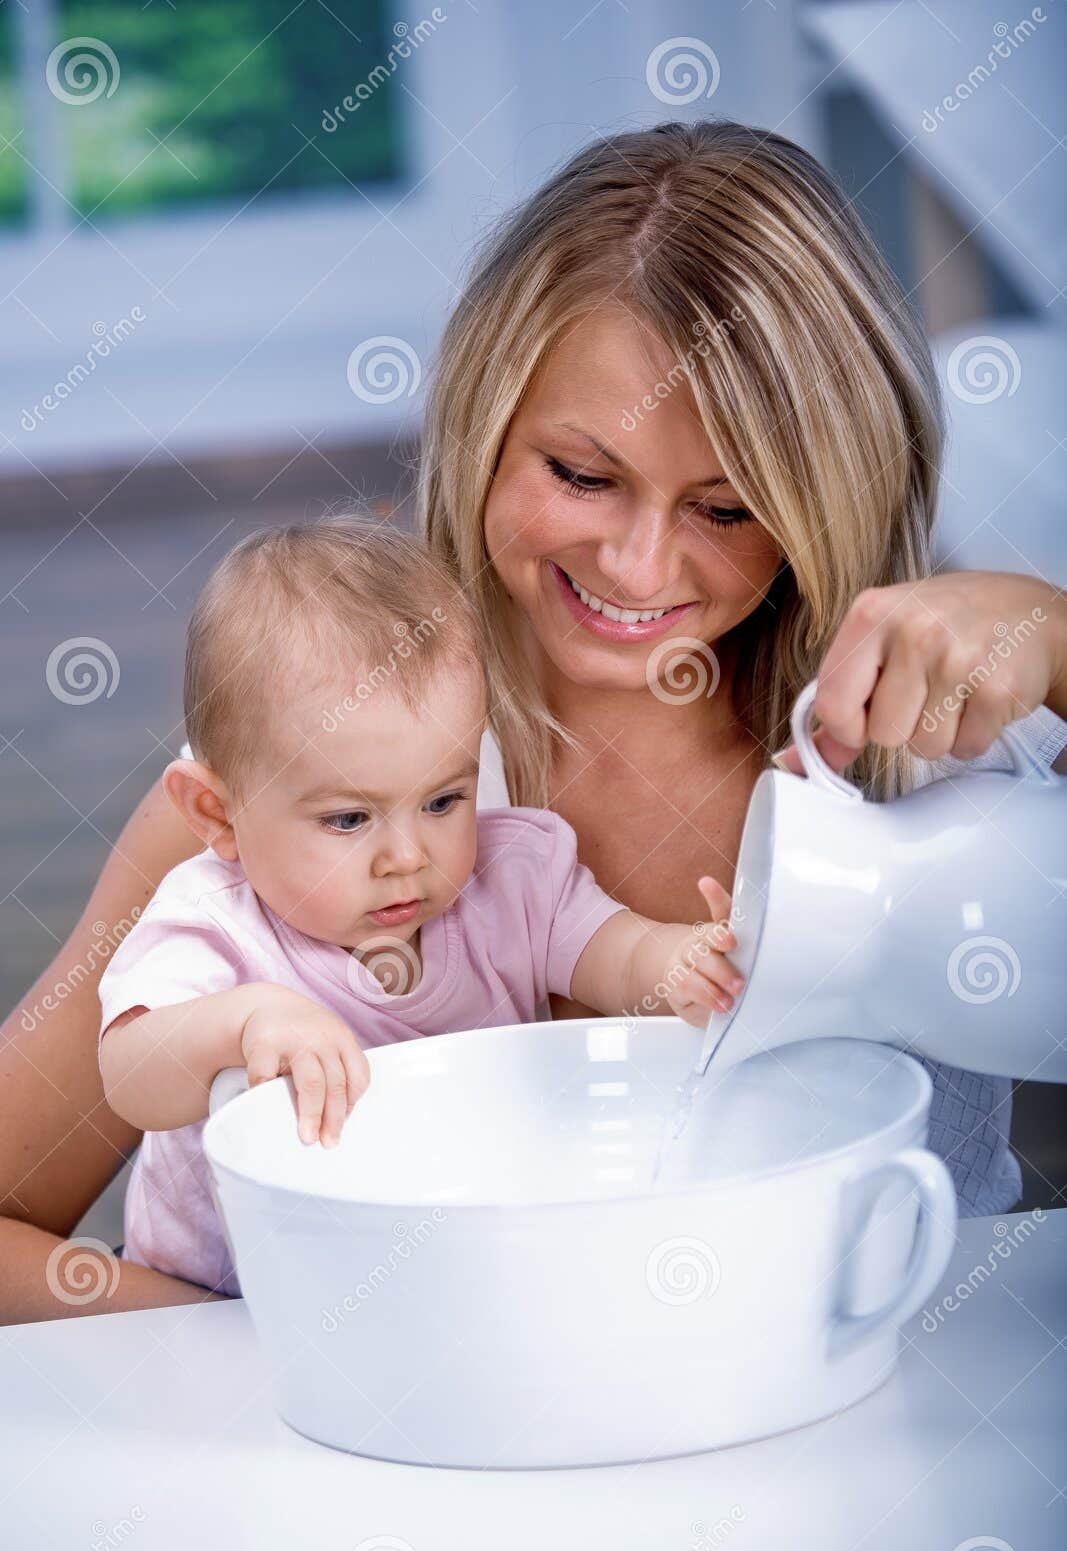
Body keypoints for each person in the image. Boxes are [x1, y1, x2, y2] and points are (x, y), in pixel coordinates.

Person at [4, 119, 1065, 1320]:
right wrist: (283, 1350)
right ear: (481, 425)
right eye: (580, 475)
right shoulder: (279, 802)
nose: (637, 561)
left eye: (725, 507)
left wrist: (1057, 631)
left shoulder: (936, 748)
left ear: (828, 494)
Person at [96, 516, 741, 1296]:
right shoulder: (213, 923)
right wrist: (245, 1021)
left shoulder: (511, 879)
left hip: (450, 1275)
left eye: (443, 799)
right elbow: (129, 1076)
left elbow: (617, 955)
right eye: (348, 819)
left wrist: (681, 963)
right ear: (217, 815)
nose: (408, 856)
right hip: (227, 1299)